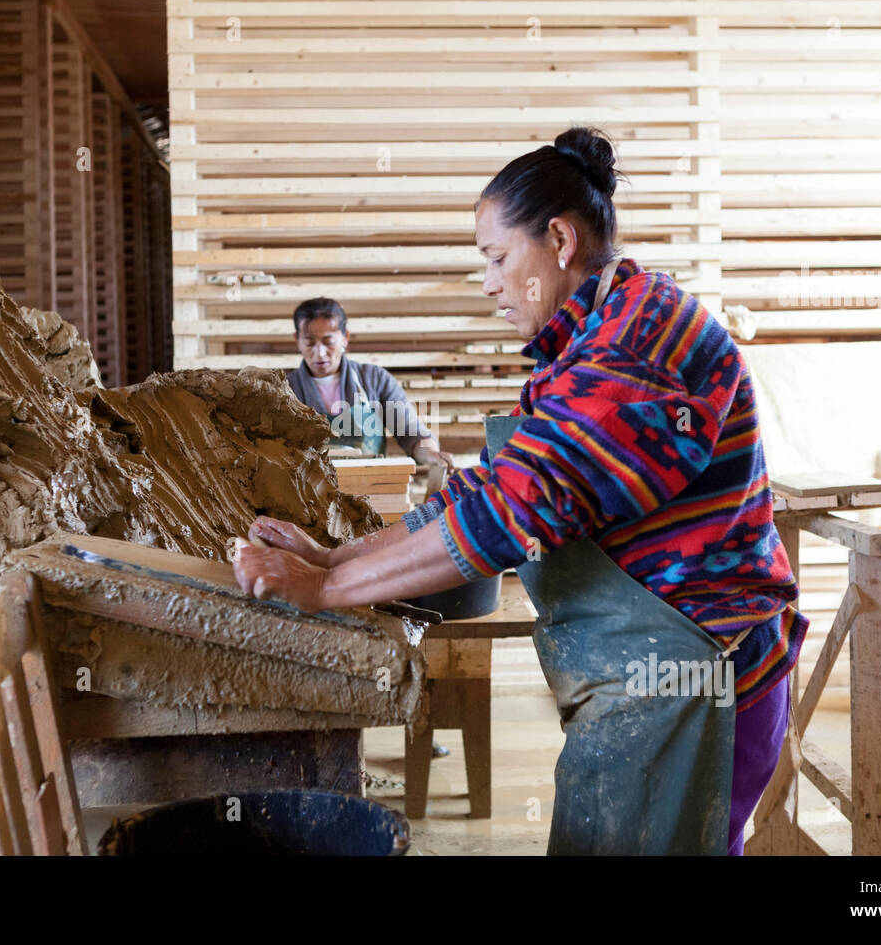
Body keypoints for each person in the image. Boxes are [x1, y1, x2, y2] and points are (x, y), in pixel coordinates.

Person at [234, 127, 807, 856]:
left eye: (497, 257)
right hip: (647, 689)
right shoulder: (589, 339)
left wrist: (325, 592)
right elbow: (478, 497)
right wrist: (333, 558)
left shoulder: (635, 342)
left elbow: (511, 515)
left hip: (694, 686)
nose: (489, 281)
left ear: (559, 241)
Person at [286, 297, 453, 470]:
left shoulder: (375, 380)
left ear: (345, 338)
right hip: (306, 494)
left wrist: (431, 453)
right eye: (309, 342)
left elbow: (411, 431)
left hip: (371, 490)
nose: (320, 352)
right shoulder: (284, 389)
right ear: (297, 340)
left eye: (328, 342)